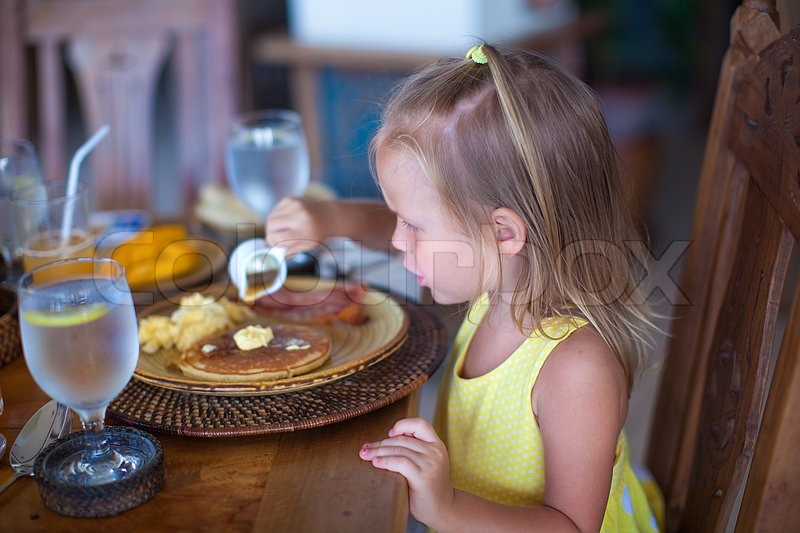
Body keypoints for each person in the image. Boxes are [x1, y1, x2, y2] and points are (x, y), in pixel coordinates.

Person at [266, 43, 663, 532]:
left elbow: (571, 527)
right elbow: (411, 228)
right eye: (398, 217)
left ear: (502, 234)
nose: (395, 238)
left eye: (412, 224)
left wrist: (446, 508)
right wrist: (328, 218)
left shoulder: (576, 370)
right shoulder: (500, 283)